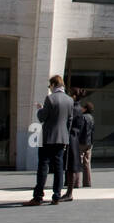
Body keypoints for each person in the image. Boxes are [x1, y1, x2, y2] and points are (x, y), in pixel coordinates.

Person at [25, 75, 73, 206]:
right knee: (59, 168)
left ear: (53, 85)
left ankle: (38, 196)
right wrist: (65, 137)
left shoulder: (50, 99)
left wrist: (39, 109)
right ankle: (56, 195)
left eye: (49, 86)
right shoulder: (69, 100)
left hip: (48, 137)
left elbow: (42, 117)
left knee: (43, 166)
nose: (49, 89)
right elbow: (69, 121)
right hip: (62, 138)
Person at [63, 93, 85, 201]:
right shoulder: (79, 108)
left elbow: (69, 123)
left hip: (71, 138)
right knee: (71, 166)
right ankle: (69, 192)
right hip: (75, 138)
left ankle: (69, 193)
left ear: (74, 96)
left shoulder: (74, 109)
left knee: (70, 166)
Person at [79, 101, 95, 185]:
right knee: (87, 162)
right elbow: (92, 131)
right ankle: (87, 182)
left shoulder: (82, 117)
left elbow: (80, 130)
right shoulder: (91, 118)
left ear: (85, 109)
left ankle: (76, 182)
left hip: (81, 142)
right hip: (89, 142)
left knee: (78, 161)